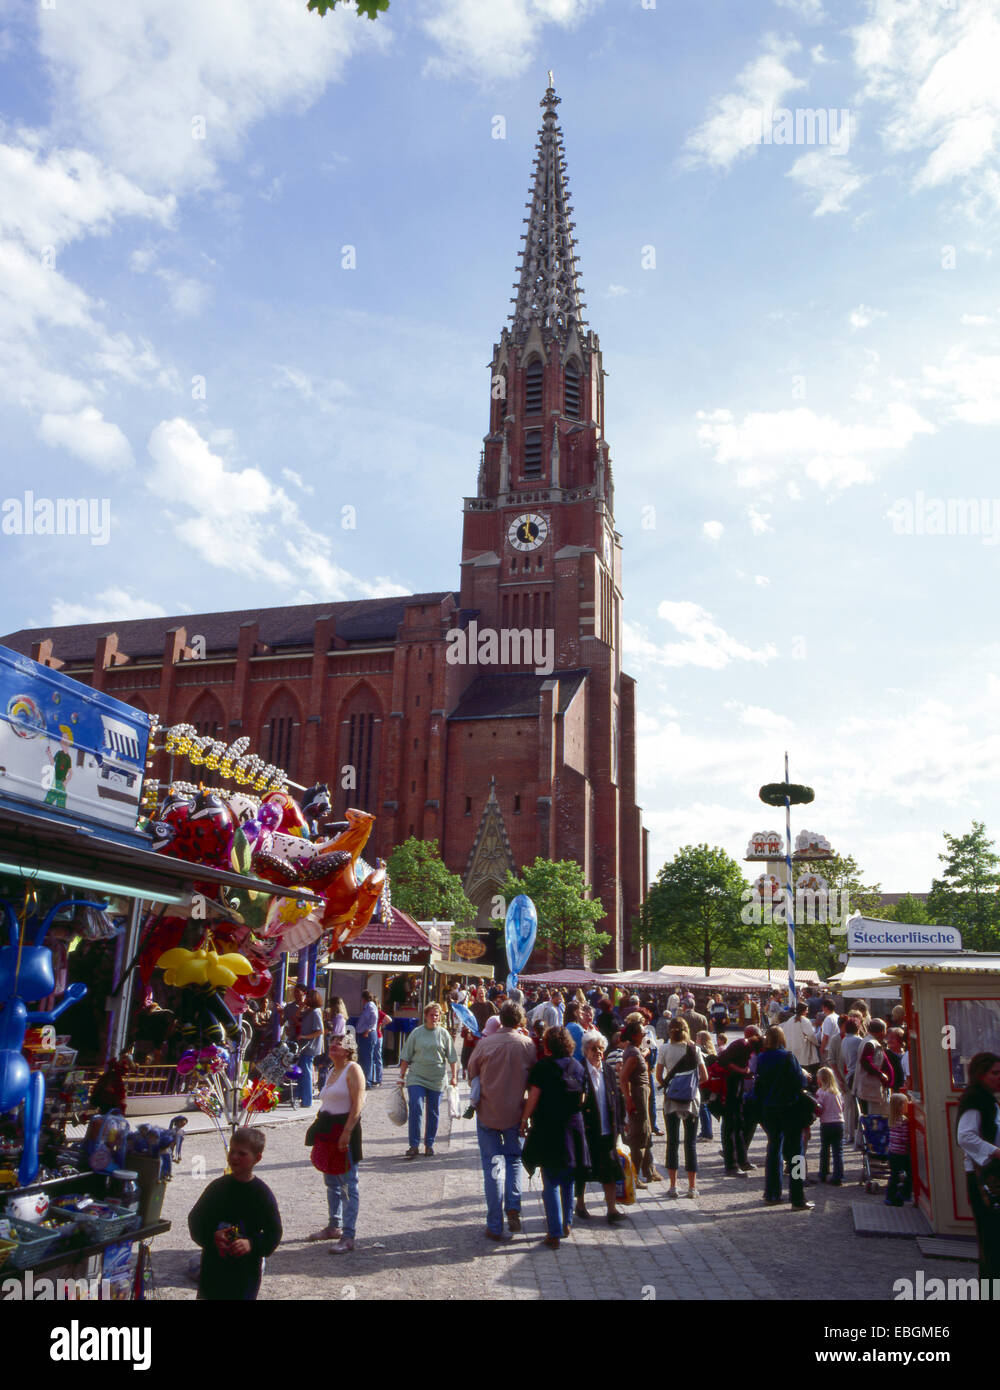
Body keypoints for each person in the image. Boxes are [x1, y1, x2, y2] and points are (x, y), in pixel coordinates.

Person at [468, 1001, 536, 1240]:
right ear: (520, 1022)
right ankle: (514, 1206)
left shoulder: (485, 1043)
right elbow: (534, 1081)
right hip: (515, 1114)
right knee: (514, 1161)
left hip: (488, 1112)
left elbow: (471, 1074)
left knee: (493, 1167)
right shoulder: (528, 1045)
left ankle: (495, 1224)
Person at [188, 1127, 282, 1299]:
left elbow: (274, 1233)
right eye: (232, 1151)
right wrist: (211, 1237)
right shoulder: (217, 1188)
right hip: (214, 1269)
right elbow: (196, 1220)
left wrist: (252, 1244)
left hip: (244, 1274)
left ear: (257, 1158)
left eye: (242, 1153)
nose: (234, 1157)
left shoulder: (261, 1194)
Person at [520, 1025, 590, 1249]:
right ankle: (567, 1222)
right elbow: (582, 1100)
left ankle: (554, 1231)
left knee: (550, 1180)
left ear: (548, 1044)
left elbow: (534, 1097)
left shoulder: (543, 1067)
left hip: (548, 1126)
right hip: (573, 1126)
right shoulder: (578, 1066)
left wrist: (523, 1119)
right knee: (568, 1178)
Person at [307, 1031, 366, 1252]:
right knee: (332, 1181)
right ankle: (335, 1226)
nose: (333, 1045)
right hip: (328, 1128)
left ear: (349, 1049)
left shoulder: (353, 1070)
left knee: (349, 1183)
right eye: (332, 1042)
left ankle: (348, 1235)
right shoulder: (333, 1070)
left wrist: (347, 1132)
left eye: (339, 1043)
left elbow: (358, 1105)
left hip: (345, 1128)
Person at [754, 1026, 813, 1211]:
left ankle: (772, 1193)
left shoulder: (762, 1058)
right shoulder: (788, 1057)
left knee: (773, 1150)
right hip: (789, 1107)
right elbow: (799, 1082)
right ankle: (798, 1197)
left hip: (770, 1109)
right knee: (797, 1154)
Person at [576, 1031, 628, 1225]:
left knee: (611, 1169)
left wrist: (622, 1122)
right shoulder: (579, 1070)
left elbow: (617, 1097)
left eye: (600, 1048)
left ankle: (612, 1209)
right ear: (585, 1051)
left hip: (608, 1127)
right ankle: (580, 1204)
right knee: (583, 1168)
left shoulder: (607, 1069)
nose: (598, 1052)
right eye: (593, 1049)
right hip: (587, 1129)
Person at [956, 1052, 1000, 1279]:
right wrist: (994, 1152)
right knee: (992, 1241)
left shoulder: (985, 1098)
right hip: (984, 1178)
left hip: (988, 1176)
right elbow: (964, 1136)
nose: (999, 1077)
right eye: (995, 1073)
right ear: (981, 1074)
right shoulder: (976, 1098)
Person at [655, 1019, 707, 1198]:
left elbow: (658, 1075)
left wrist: (670, 1086)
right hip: (691, 1100)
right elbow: (704, 1076)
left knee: (672, 1142)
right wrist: (691, 1086)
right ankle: (692, 1187)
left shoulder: (664, 1049)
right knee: (690, 1143)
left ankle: (673, 1186)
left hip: (671, 1100)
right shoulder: (694, 1049)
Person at [398, 1002, 459, 1157]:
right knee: (416, 1107)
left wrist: (454, 1077)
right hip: (417, 1076)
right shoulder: (417, 1033)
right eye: (431, 1014)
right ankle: (414, 1145)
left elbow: (452, 1058)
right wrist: (401, 1076)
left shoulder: (443, 1034)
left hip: (437, 1078)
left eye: (436, 1015)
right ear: (425, 1016)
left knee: (433, 1111)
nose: (434, 1017)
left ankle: (429, 1144)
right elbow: (406, 1055)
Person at [619, 1014, 658, 1185]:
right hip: (638, 1094)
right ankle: (633, 1177)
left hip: (641, 1093)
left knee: (645, 1132)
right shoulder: (633, 1053)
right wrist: (628, 1099)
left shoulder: (634, 1050)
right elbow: (623, 1077)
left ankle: (646, 1171)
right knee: (639, 1135)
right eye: (642, 1032)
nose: (644, 1034)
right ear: (635, 1035)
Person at [718, 1028, 762, 1175]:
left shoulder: (745, 1046)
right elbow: (723, 1060)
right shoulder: (742, 1045)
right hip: (731, 1087)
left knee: (739, 1124)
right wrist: (742, 1071)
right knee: (730, 1126)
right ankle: (731, 1165)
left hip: (737, 1087)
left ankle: (742, 1161)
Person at [851, 1018, 892, 1121]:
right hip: (870, 1091)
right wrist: (880, 1074)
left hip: (870, 1090)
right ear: (882, 1031)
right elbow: (865, 1062)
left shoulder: (871, 1042)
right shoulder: (870, 1043)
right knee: (872, 1122)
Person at [815, 1066, 844, 1185]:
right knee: (838, 1150)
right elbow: (842, 1107)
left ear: (820, 1079)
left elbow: (819, 1108)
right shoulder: (837, 1093)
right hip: (839, 1123)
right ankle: (838, 1175)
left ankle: (823, 1173)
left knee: (825, 1149)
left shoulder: (821, 1092)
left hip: (826, 1123)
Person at [295, 989, 325, 1107]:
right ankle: (303, 1097)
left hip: (310, 1045)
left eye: (307, 997)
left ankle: (307, 1099)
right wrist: (301, 1006)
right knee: (303, 1070)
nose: (305, 999)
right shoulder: (309, 1011)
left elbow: (320, 1030)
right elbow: (297, 1016)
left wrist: (305, 1036)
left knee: (306, 1071)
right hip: (305, 1045)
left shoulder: (316, 1012)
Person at [886, 1091, 912, 1208]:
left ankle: (890, 1197)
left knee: (894, 1176)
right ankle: (904, 1193)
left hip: (892, 1153)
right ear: (900, 1106)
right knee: (910, 1174)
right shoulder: (904, 1122)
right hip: (902, 1153)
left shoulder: (891, 1120)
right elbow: (905, 1139)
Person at [784, 1002, 820, 1079]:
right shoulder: (804, 1020)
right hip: (802, 1051)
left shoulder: (789, 1021)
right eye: (806, 1010)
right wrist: (817, 1043)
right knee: (805, 1073)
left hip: (791, 1051)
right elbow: (811, 1034)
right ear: (803, 1011)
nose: (807, 1012)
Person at [695, 1030, 717, 1140]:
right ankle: (706, 1131)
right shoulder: (712, 1051)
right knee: (706, 1106)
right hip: (710, 1081)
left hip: (703, 1080)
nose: (696, 1039)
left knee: (702, 1107)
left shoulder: (700, 1050)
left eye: (697, 1037)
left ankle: (706, 1133)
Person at [356, 990, 379, 1089]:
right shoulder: (370, 1006)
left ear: (363, 998)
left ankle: (367, 1082)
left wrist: (368, 1029)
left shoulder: (370, 1006)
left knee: (366, 1059)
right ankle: (364, 1080)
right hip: (366, 1034)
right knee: (364, 1058)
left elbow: (374, 1017)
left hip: (367, 1035)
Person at [817, 998, 839, 1063]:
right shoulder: (837, 1017)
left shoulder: (828, 1019)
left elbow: (826, 1036)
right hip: (836, 1048)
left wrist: (821, 1048)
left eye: (823, 1007)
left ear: (825, 1007)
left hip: (828, 1049)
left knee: (828, 1070)